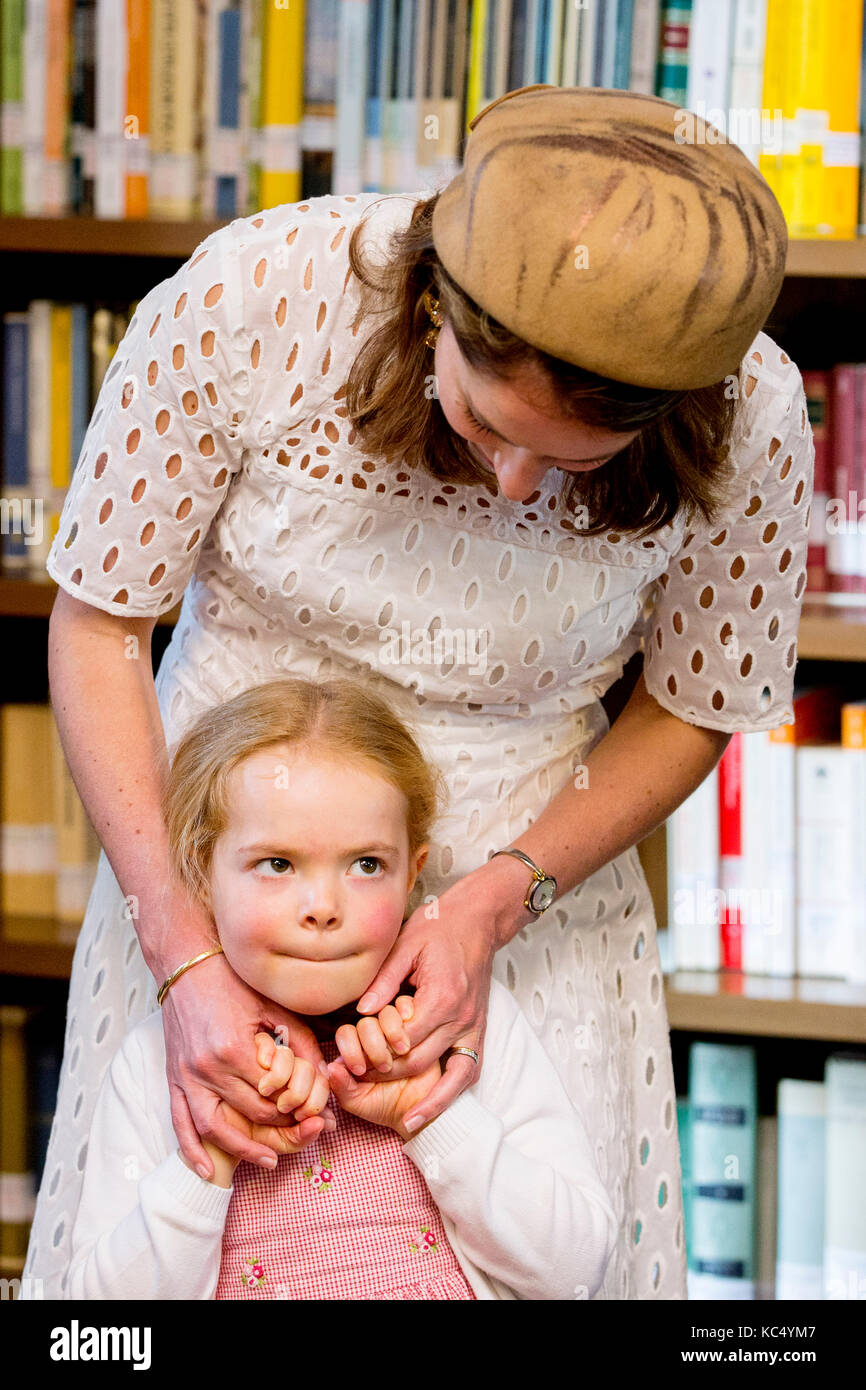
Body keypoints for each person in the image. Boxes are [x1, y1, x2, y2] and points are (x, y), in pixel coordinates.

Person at [26, 85, 813, 1301]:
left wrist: (495, 900)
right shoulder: (255, 296)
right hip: (225, 884)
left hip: (526, 890)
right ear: (434, 309)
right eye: (488, 422)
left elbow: (697, 698)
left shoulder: (752, 405)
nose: (511, 485)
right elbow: (98, 623)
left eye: (570, 465)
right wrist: (184, 955)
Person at [66, 676, 617, 1300]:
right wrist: (210, 1159)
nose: (323, 906)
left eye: (366, 865)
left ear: (413, 874)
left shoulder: (465, 1033)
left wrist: (432, 1115)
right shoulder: (165, 1064)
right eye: (276, 863)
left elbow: (575, 1272)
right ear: (200, 872)